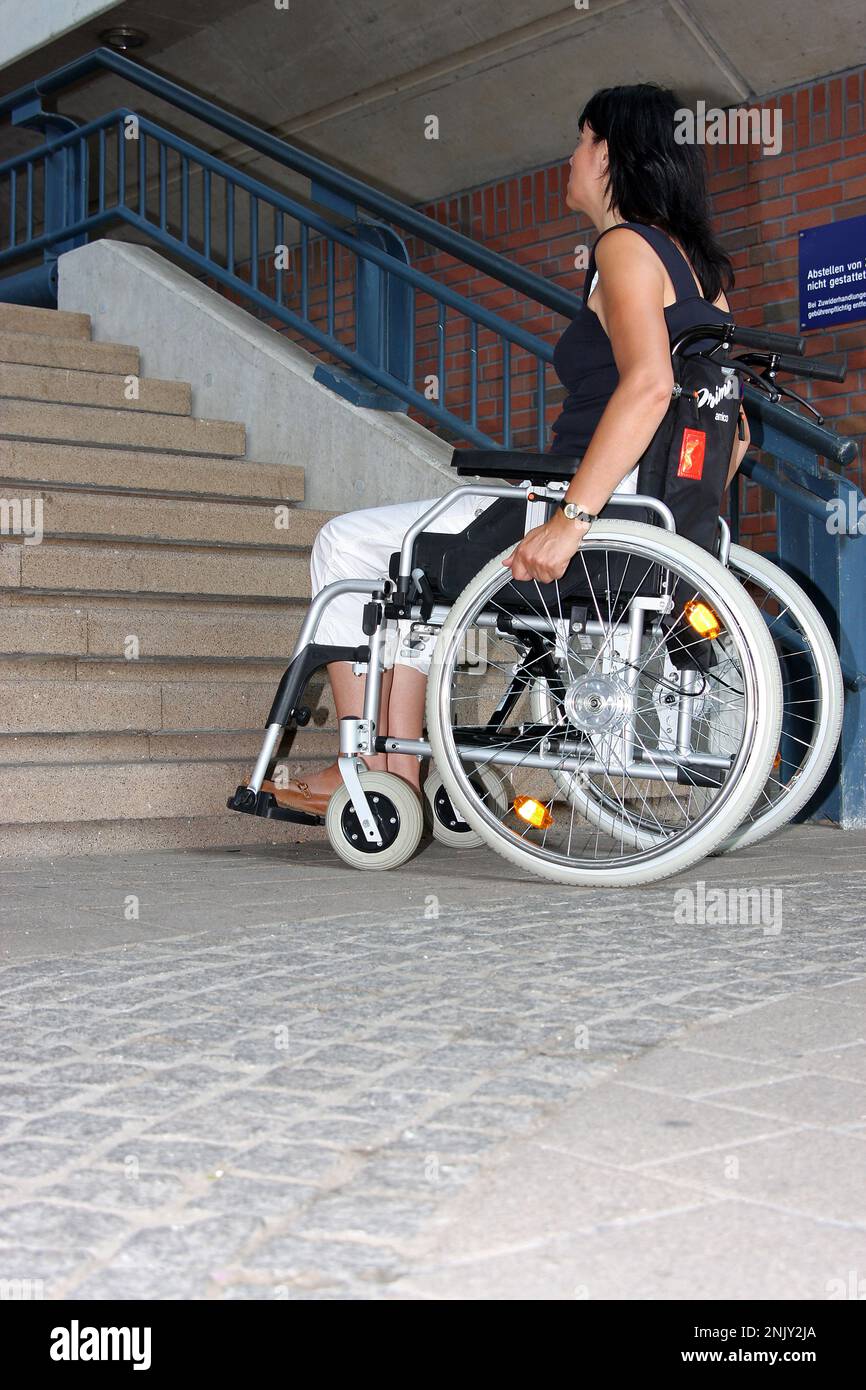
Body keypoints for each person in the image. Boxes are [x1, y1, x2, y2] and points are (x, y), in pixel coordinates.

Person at [265, 82, 751, 816]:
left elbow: (651, 388)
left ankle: (373, 765)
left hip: (579, 511)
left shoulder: (622, 248)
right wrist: (667, 519)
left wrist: (573, 519)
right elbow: (730, 433)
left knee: (346, 546)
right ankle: (396, 768)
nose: (570, 154)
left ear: (610, 155)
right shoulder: (707, 277)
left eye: (582, 139)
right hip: (657, 526)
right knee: (409, 560)